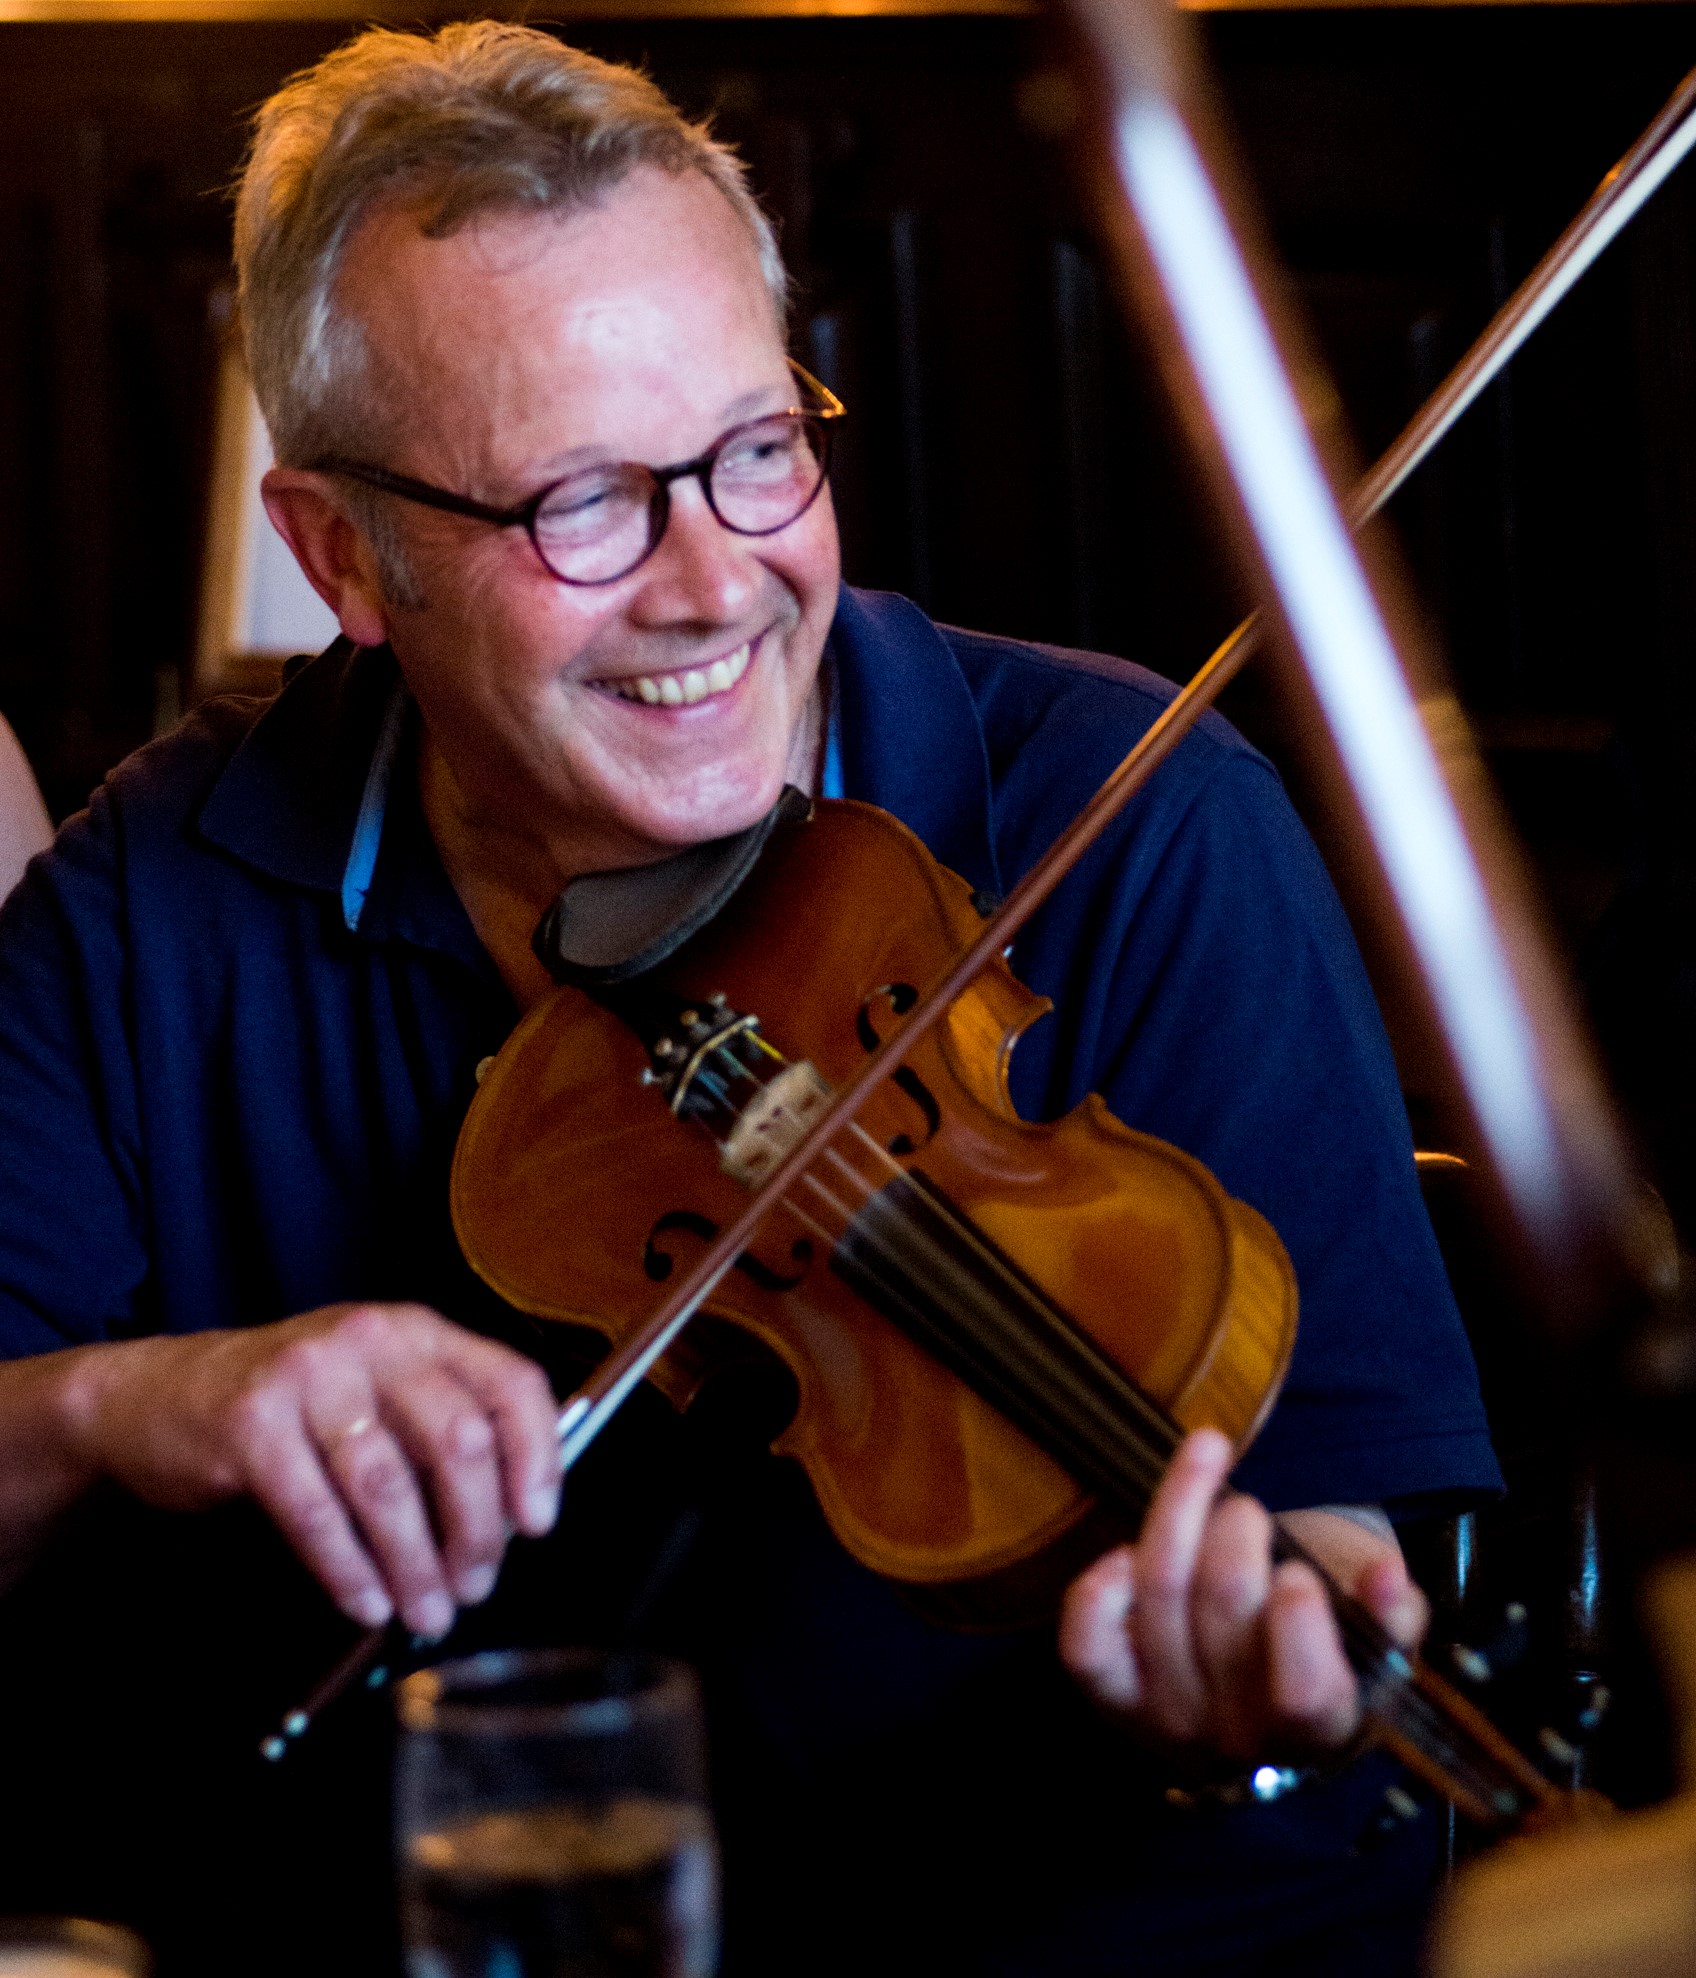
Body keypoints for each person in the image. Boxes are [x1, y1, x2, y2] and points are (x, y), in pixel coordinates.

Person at [0, 24, 1498, 1977]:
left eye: (757, 449)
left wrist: (1267, 1663)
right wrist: (144, 1397)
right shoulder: (162, 889)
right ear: (340, 555)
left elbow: (1338, 1553)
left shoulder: (1126, 821)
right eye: (581, 502)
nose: (719, 583)